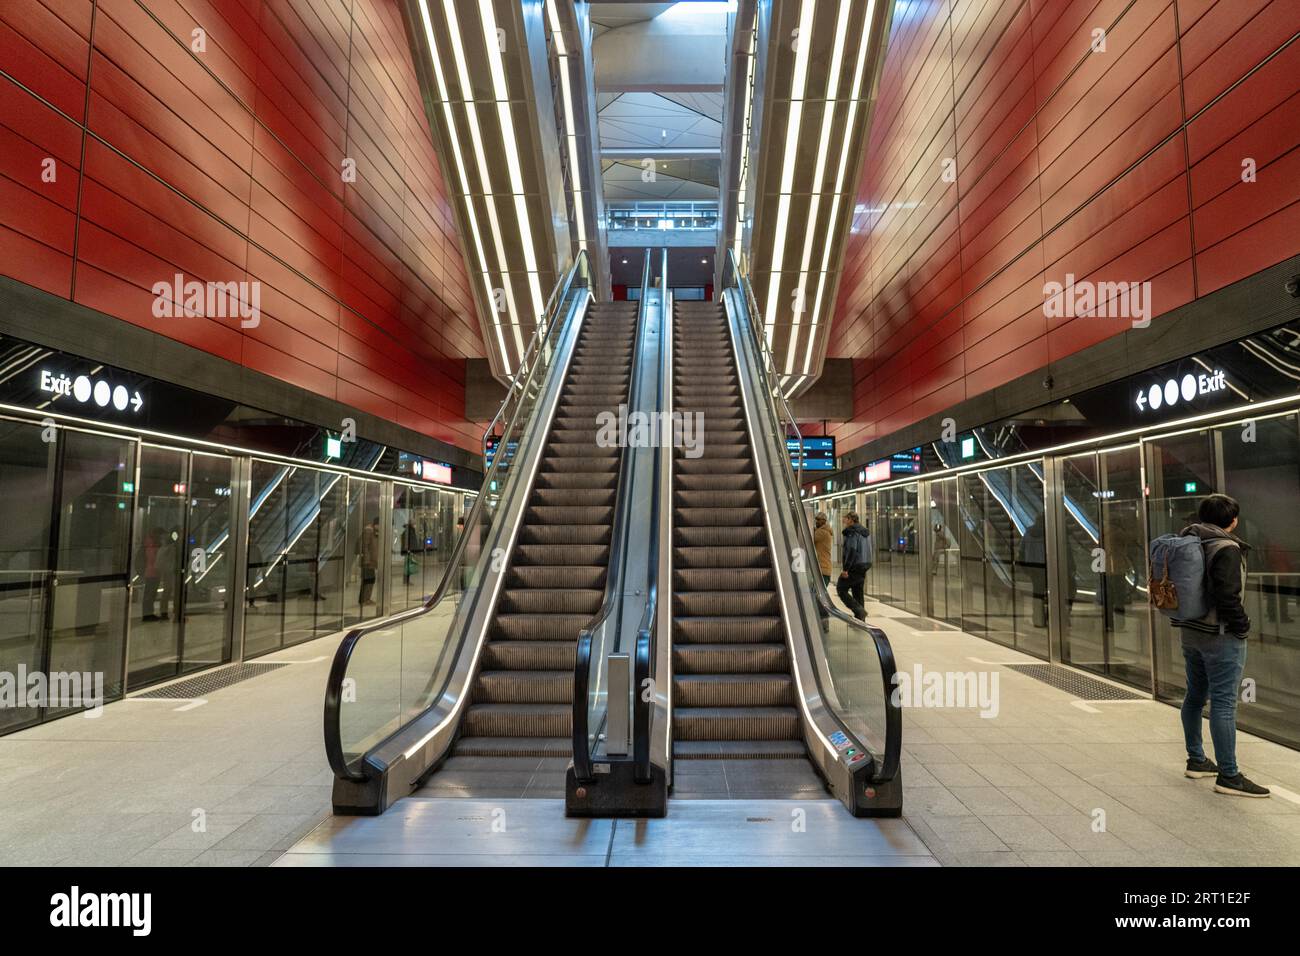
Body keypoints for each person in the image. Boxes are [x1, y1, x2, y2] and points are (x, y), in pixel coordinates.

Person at [1174, 494, 1269, 798]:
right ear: (1232, 520)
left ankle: (1197, 760)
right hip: (1220, 635)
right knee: (1224, 703)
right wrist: (1242, 626)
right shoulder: (1225, 547)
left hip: (1190, 631)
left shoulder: (1189, 540)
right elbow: (1227, 596)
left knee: (1194, 696)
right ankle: (1229, 775)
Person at [836, 512, 872, 621]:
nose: (843, 520)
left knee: (841, 588)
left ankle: (859, 611)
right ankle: (861, 621)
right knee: (858, 592)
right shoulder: (864, 532)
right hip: (864, 565)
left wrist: (846, 569)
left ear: (851, 520)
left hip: (854, 566)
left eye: (845, 518)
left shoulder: (852, 532)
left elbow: (852, 550)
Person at [358, 517, 379, 607]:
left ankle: (367, 598)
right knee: (367, 580)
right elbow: (365, 546)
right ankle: (364, 599)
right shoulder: (368, 531)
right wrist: (366, 560)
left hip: (372, 561)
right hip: (368, 561)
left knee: (371, 580)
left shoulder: (375, 531)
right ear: (376, 524)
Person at [813, 513, 833, 587]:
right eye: (816, 519)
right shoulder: (825, 531)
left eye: (818, 520)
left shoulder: (822, 532)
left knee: (816, 595)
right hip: (824, 569)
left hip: (822, 569)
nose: (816, 522)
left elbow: (808, 538)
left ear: (824, 521)